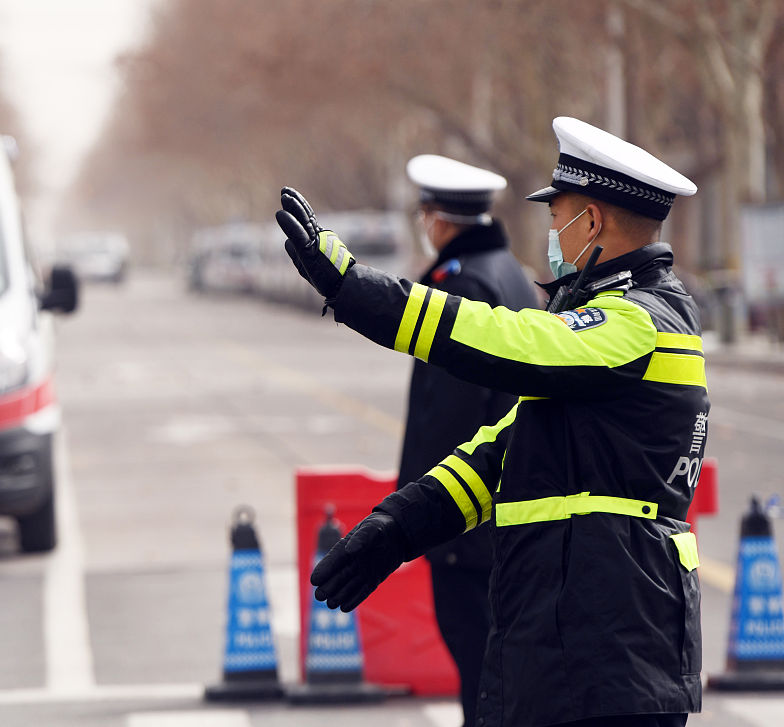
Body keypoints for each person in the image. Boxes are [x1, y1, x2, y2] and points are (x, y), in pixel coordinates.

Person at [276, 117, 705, 727]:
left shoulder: (639, 321)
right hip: (565, 649)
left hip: (608, 653)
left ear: (593, 221)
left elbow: (509, 339)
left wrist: (355, 290)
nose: (551, 230)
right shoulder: (605, 331)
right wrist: (397, 529)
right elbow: (502, 457)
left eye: (557, 216)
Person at [401, 154, 539, 727]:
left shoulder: (461, 288)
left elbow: (449, 422)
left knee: (482, 674)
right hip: (511, 512)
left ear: (437, 220)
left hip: (468, 526)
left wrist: (426, 516)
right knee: (502, 670)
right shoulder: (513, 274)